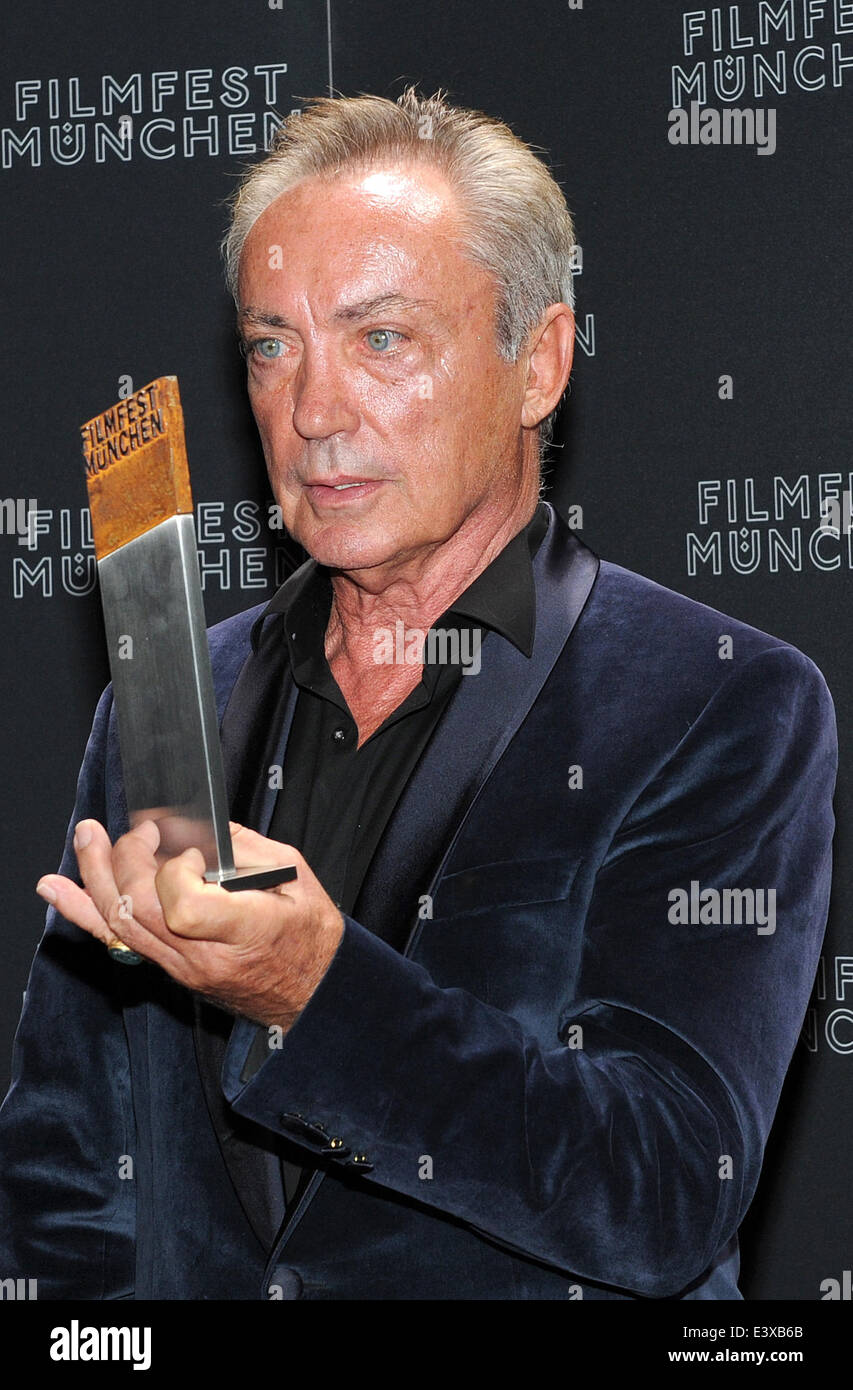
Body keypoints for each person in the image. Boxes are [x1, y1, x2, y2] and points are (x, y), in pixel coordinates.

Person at [0, 87, 836, 1301]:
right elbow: (67, 1179)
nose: (314, 411)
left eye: (381, 338)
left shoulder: (718, 703)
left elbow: (660, 1186)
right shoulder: (180, 692)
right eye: (273, 343)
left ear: (538, 360)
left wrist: (319, 995)